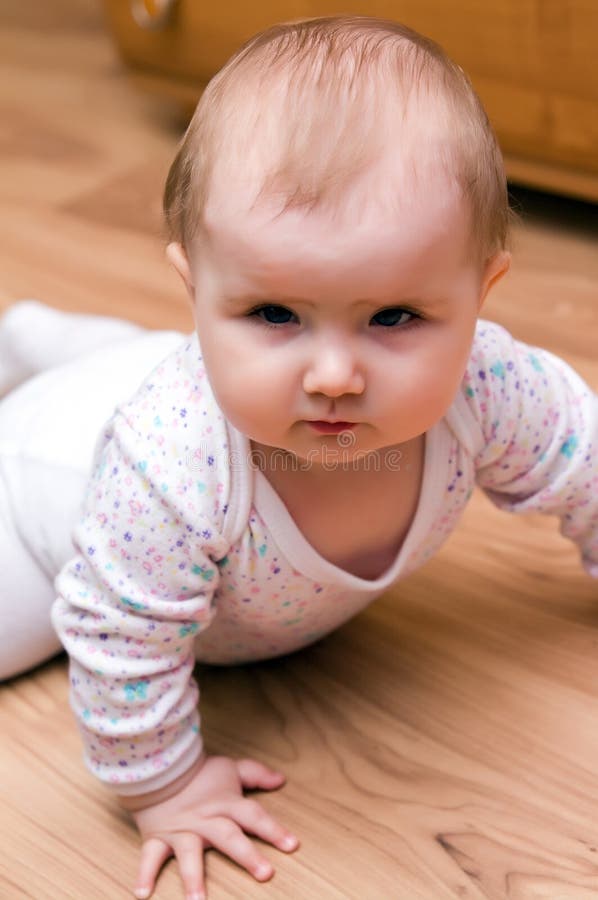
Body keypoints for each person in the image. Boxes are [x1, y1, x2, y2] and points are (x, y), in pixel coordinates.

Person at [1, 14, 596, 900]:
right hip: (43, 489)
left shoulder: (491, 386)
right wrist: (163, 788)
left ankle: (44, 338)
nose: (333, 377)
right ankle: (40, 356)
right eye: (275, 314)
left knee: (168, 368)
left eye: (393, 317)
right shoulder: (169, 469)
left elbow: (585, 460)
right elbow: (117, 638)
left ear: (482, 292)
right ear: (196, 289)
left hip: (158, 382)